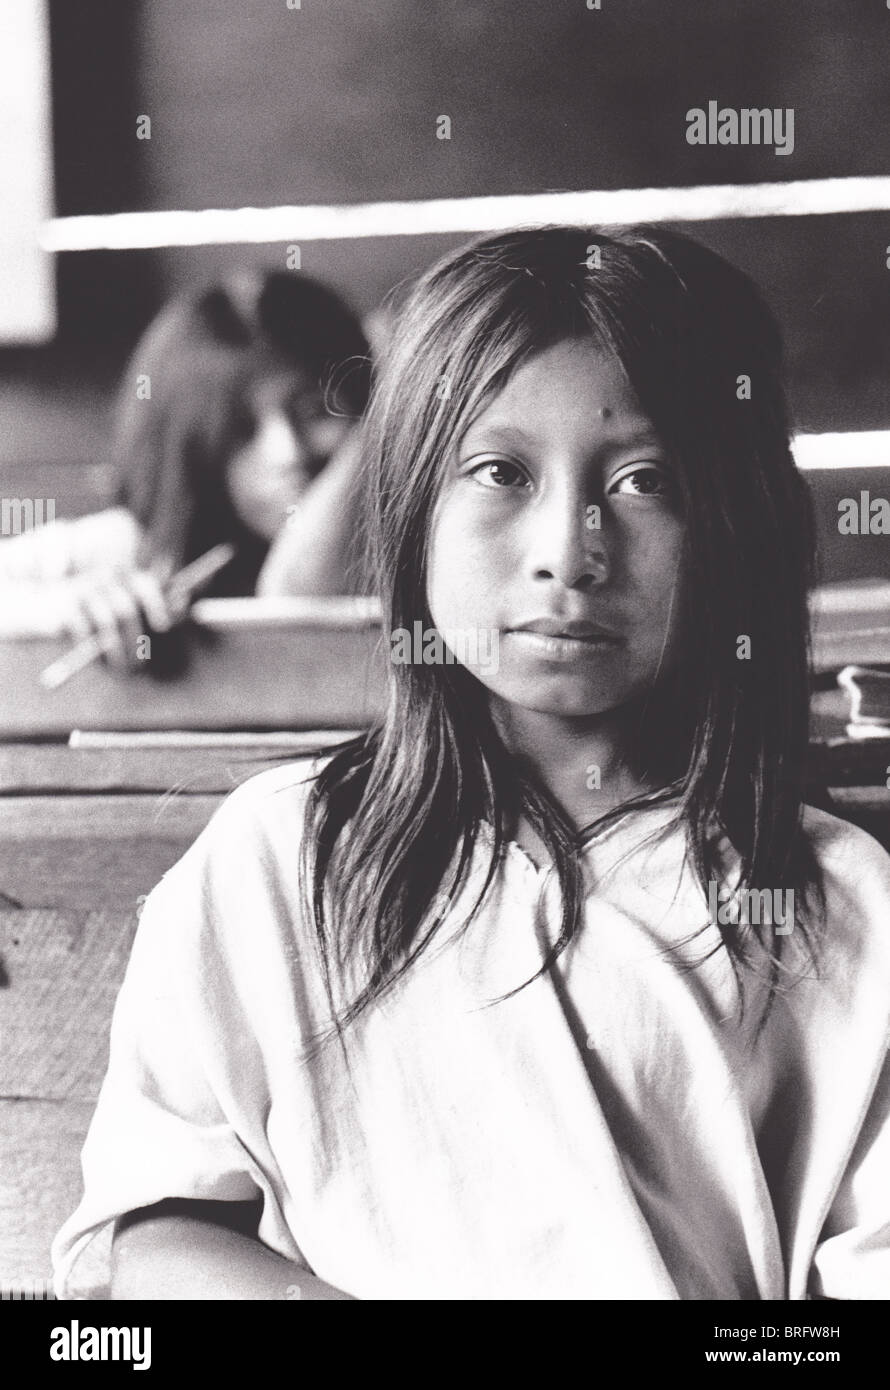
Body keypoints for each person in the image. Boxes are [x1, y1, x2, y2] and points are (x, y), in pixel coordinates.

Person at [52, 227, 890, 1299]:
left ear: (729, 516)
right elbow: (149, 1227)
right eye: (498, 470)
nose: (568, 549)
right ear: (409, 506)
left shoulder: (840, 906)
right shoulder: (277, 861)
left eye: (642, 480)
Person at [0, 271, 371, 663]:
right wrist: (62, 608)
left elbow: (298, 592)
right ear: (188, 449)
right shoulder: (127, 549)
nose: (288, 452)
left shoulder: (417, 556)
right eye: (240, 427)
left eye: (315, 411)